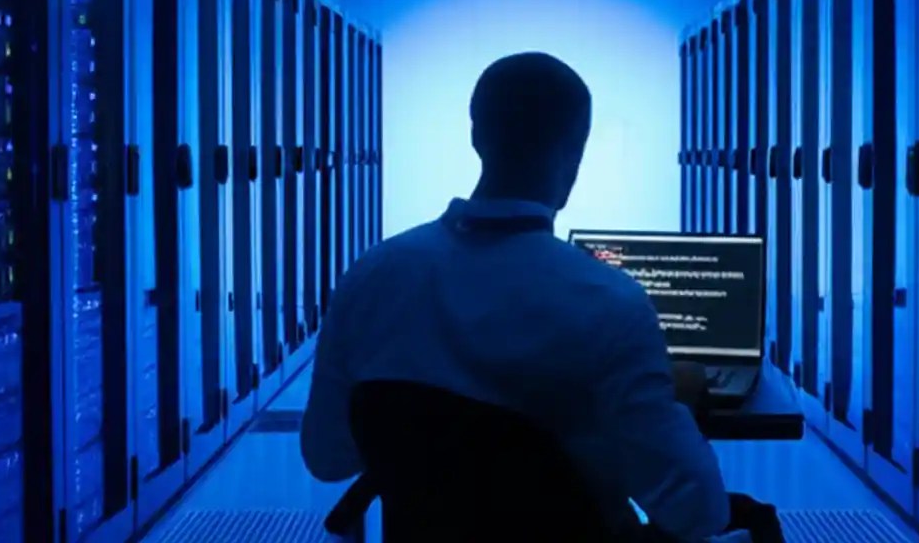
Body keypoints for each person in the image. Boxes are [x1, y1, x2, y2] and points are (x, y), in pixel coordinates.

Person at [301, 52, 731, 541]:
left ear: (476, 135)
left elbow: (326, 457)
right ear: (576, 149)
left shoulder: (370, 277)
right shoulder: (612, 303)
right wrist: (668, 403)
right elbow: (698, 510)